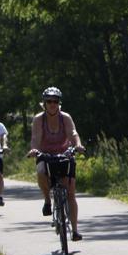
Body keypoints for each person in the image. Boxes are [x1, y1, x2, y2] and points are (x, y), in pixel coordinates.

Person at [27, 87, 86, 241]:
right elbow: (35, 137)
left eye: (55, 101)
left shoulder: (65, 117)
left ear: (59, 103)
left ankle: (74, 231)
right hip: (45, 154)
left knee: (71, 193)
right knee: (40, 172)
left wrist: (78, 145)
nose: (52, 104)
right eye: (49, 101)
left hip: (64, 153)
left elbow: (73, 133)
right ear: (44, 103)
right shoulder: (39, 119)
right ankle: (47, 199)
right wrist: (34, 149)